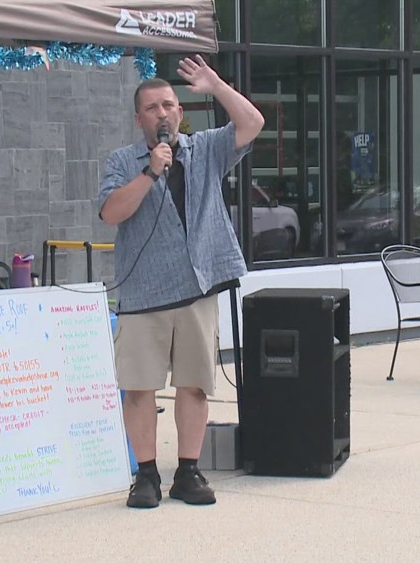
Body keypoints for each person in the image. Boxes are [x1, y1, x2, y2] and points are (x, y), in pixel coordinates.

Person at [97, 55, 265, 508]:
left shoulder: (205, 148)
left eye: (169, 105)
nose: (162, 114)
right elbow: (111, 213)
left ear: (180, 112)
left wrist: (217, 85)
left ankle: (188, 472)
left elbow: (252, 123)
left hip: (196, 288)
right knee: (139, 388)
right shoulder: (122, 161)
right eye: (152, 108)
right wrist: (150, 171)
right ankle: (146, 476)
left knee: (194, 384)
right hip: (143, 293)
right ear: (139, 118)